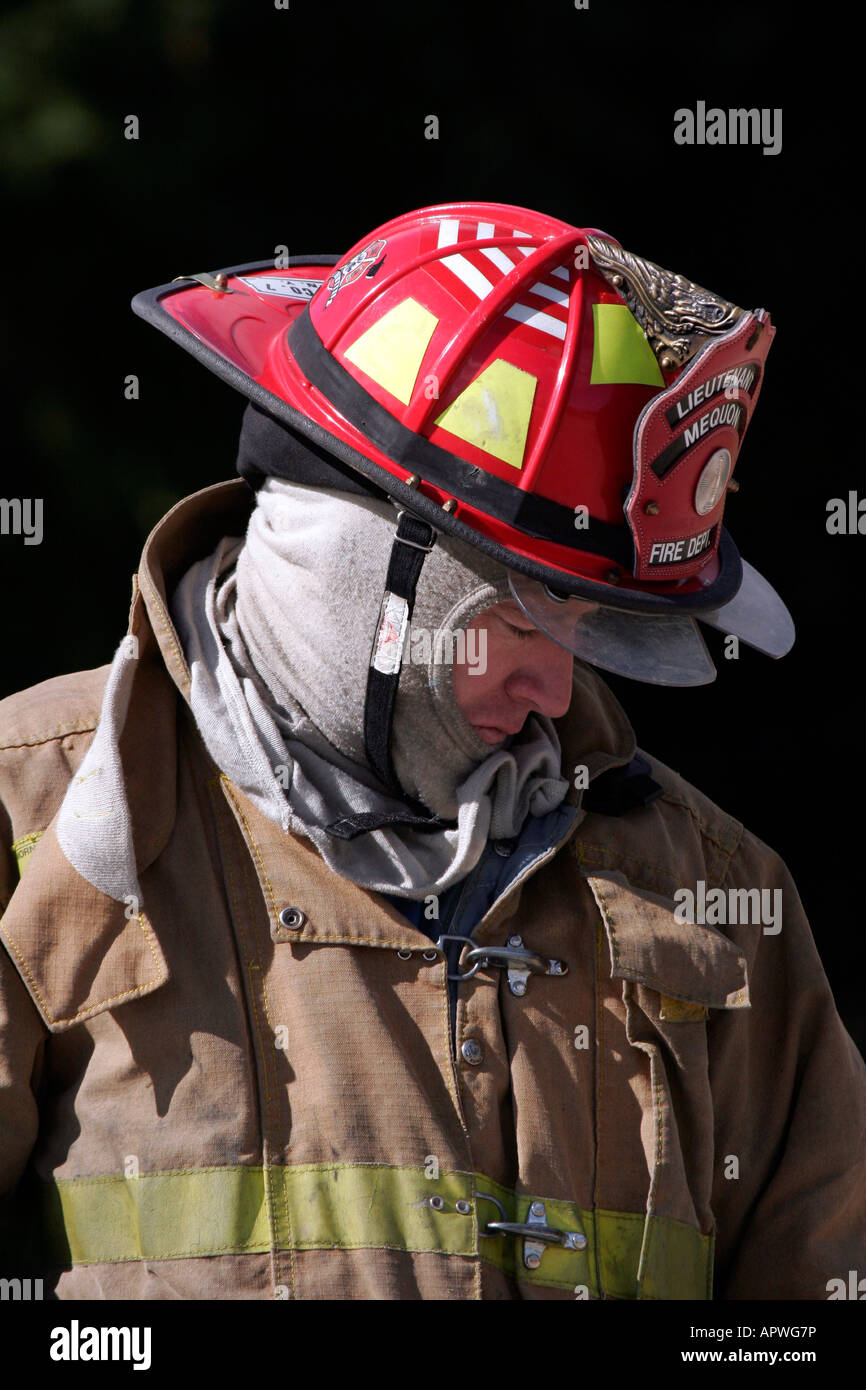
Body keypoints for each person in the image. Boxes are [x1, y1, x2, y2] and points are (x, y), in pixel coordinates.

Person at [0, 200, 863, 1301]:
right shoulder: (35, 819)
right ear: (360, 586)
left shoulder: (716, 896)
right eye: (520, 626)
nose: (557, 693)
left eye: (585, 638)